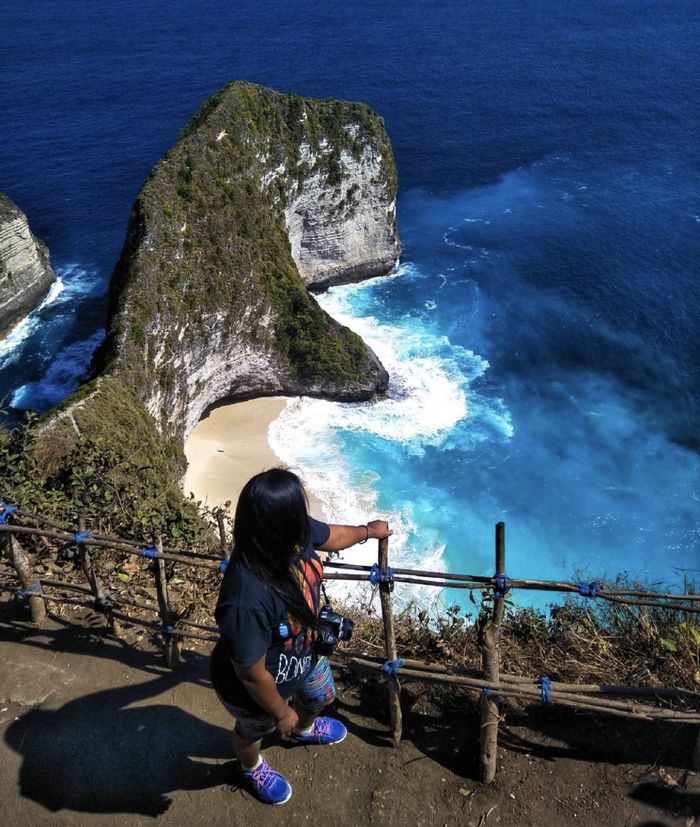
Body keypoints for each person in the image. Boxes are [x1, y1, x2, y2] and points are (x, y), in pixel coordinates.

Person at [210, 468, 392, 805]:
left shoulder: (292, 535)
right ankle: (251, 767)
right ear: (275, 524)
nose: (303, 521)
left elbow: (334, 535)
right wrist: (281, 712)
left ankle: (304, 731)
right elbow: (250, 672)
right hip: (256, 688)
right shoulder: (245, 596)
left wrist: (368, 531)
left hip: (304, 657)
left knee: (321, 697)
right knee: (253, 730)